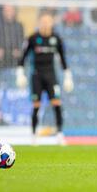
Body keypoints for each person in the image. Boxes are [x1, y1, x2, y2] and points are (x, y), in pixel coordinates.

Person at [16, 12, 74, 145]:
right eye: (43, 21)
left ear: (52, 23)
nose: (46, 24)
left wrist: (68, 76)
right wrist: (20, 73)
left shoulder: (56, 39)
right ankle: (33, 135)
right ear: (39, 23)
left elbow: (63, 58)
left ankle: (59, 134)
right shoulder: (32, 38)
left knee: (57, 104)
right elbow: (22, 57)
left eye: (48, 21)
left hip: (51, 75)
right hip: (36, 75)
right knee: (36, 106)